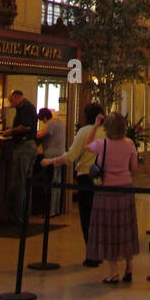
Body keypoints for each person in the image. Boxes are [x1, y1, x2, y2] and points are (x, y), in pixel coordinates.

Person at [42, 102, 105, 265]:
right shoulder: (106, 132)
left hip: (86, 176)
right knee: (100, 217)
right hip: (104, 178)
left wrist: (50, 162)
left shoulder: (85, 132)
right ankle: (101, 251)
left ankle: (92, 255)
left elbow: (71, 155)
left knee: (87, 216)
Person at [85, 112, 138, 283]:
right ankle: (129, 267)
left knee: (109, 229)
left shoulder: (102, 145)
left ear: (106, 128)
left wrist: (94, 126)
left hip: (106, 190)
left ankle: (114, 271)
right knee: (125, 228)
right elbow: (134, 168)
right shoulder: (129, 144)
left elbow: (87, 145)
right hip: (125, 189)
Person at [5, 88, 38, 224]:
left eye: (11, 101)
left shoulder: (24, 108)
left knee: (20, 181)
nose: (11, 104)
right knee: (26, 181)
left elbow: (26, 126)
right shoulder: (28, 106)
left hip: (24, 146)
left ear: (17, 97)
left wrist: (11, 131)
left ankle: (18, 217)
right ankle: (24, 215)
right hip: (30, 146)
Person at [37, 107, 68, 216]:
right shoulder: (59, 123)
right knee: (57, 182)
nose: (43, 122)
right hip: (60, 155)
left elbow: (40, 135)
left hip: (51, 156)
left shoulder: (50, 124)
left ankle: (50, 210)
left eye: (42, 120)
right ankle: (56, 209)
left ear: (45, 118)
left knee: (52, 182)